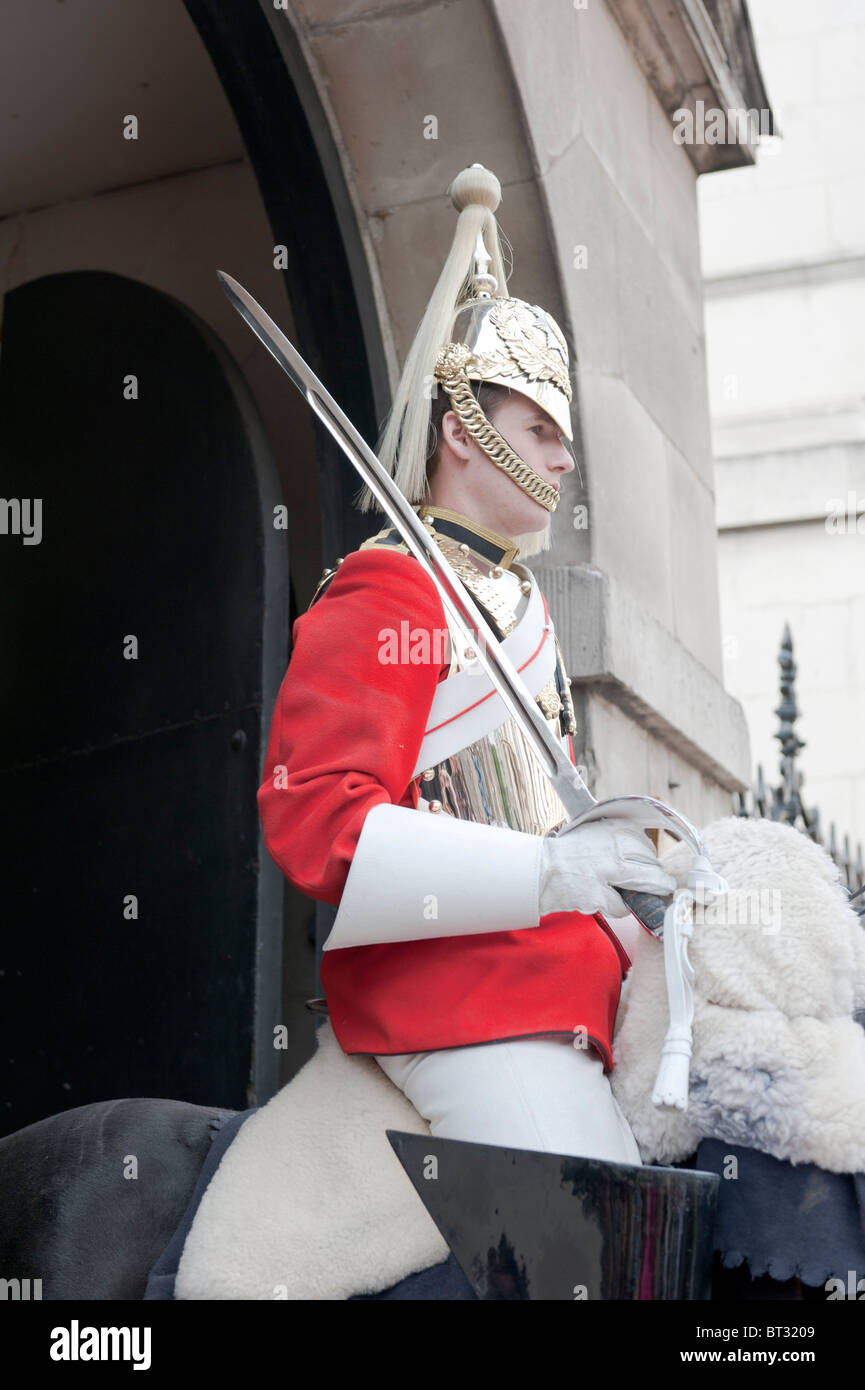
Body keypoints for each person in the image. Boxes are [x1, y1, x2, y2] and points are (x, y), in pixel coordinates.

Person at [257, 164, 676, 1164]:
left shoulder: (521, 605)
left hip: (574, 987)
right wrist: (543, 868)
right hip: (460, 996)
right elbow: (316, 822)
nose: (564, 460)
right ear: (462, 430)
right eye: (540, 431)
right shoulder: (389, 589)